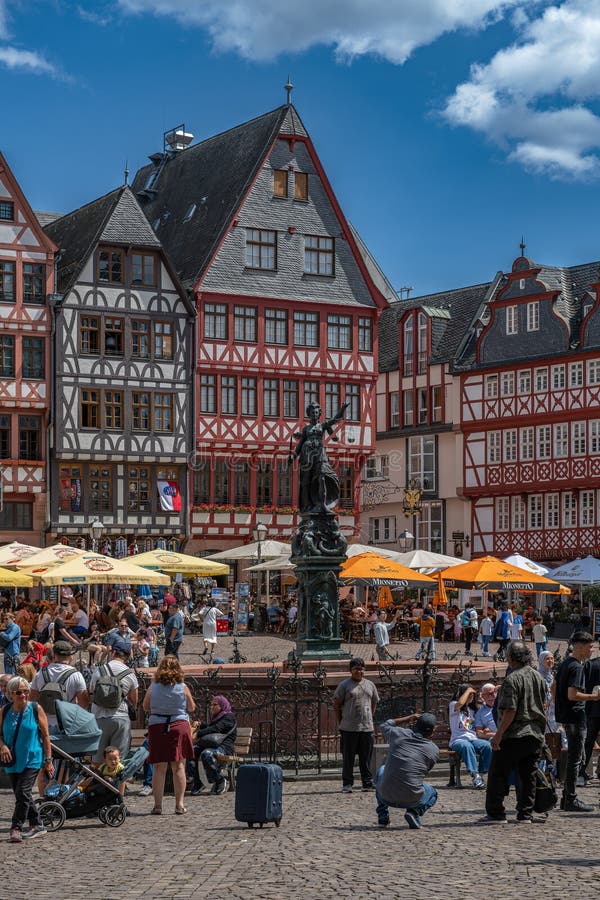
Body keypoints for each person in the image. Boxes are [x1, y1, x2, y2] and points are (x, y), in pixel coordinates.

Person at [482, 640, 548, 824]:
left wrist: (498, 735)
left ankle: (496, 813)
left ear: (510, 658)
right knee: (529, 775)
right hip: (534, 733)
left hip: (514, 734)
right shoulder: (538, 676)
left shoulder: (512, 679)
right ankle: (525, 814)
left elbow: (510, 710)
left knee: (498, 773)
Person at [0, 675, 53, 842]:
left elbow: (46, 736)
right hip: (12, 759)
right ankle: (37, 823)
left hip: (33, 757)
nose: (23, 695)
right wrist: (2, 746)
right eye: (18, 692)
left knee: (23, 791)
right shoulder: (5, 711)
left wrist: (48, 760)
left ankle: (16, 827)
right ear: (10, 693)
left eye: (25, 691)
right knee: (21, 795)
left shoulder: (36, 709)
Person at [142, 655, 195, 815]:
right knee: (178, 766)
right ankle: (179, 805)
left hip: (158, 725)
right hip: (178, 725)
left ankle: (157, 805)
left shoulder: (153, 687)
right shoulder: (183, 687)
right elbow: (191, 708)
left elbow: (145, 706)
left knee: (159, 767)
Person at [554, 630, 596, 812]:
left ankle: (566, 798)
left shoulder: (565, 664)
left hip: (565, 716)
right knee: (575, 759)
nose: (591, 651)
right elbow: (573, 695)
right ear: (579, 647)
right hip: (575, 716)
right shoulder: (577, 667)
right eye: (589, 647)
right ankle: (570, 798)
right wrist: (594, 697)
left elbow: (554, 687)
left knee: (574, 756)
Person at [375, 713, 439, 829]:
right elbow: (424, 772)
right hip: (411, 798)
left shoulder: (398, 734)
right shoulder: (433, 750)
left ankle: (383, 817)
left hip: (385, 795)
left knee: (382, 770)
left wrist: (408, 718)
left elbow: (385, 724)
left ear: (415, 724)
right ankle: (414, 812)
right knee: (433, 793)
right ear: (433, 731)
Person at [288, 400, 349, 514]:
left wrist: (343, 409)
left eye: (316, 412)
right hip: (307, 455)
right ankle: (307, 506)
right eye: (312, 413)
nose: (314, 414)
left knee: (322, 477)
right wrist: (294, 456)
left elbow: (336, 419)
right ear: (309, 414)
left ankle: (323, 504)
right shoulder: (306, 429)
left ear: (319, 414)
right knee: (306, 481)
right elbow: (300, 444)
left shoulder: (323, 425)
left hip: (319, 454)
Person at [333, 657, 379, 793]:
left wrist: (370, 716)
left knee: (366, 757)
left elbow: (374, 703)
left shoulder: (370, 685)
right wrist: (340, 721)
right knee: (349, 758)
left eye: (361, 669)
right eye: (356, 669)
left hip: (366, 727)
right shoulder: (345, 685)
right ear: (350, 671)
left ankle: (367, 782)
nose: (359, 672)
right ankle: (347, 783)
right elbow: (336, 704)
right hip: (349, 727)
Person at [90, 639, 138, 762]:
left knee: (97, 761)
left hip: (99, 718)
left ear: (113, 652)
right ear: (127, 656)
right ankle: (117, 782)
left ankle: (98, 781)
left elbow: (91, 692)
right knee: (118, 762)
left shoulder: (99, 670)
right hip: (120, 718)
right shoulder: (130, 674)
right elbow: (134, 701)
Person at [29, 640, 89, 728]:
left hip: (44, 722)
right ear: (70, 656)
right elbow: (83, 702)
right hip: (67, 722)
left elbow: (32, 699)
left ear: (53, 655)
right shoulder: (76, 675)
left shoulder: (40, 673)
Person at [191, 695, 237, 796]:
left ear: (222, 705)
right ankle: (198, 782)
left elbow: (216, 728)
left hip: (224, 747)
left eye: (214, 705)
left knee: (207, 754)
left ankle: (219, 780)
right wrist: (200, 724)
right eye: (211, 704)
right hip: (212, 745)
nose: (211, 707)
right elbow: (210, 727)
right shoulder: (218, 717)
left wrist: (198, 734)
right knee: (192, 751)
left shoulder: (229, 717)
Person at [448, 683, 492, 788]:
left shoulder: (473, 710)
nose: (471, 697)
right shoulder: (453, 705)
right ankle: (474, 774)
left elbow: (477, 723)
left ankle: (480, 775)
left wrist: (485, 730)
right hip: (458, 740)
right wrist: (468, 690)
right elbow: (460, 704)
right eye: (469, 695)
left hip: (473, 738)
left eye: (472, 695)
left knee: (488, 746)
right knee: (466, 746)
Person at [581, 646, 600, 783]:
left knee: (587, 743)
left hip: (592, 710)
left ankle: (581, 772)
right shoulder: (591, 665)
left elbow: (582, 686)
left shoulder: (590, 665)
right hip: (592, 710)